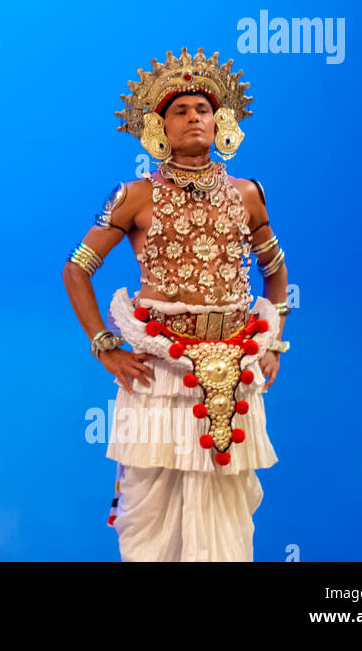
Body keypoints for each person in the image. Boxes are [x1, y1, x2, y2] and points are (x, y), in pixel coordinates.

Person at [62, 47, 291, 562]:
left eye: (203, 110)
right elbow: (76, 269)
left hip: (235, 363)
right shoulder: (133, 196)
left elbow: (275, 271)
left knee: (229, 499)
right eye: (181, 111)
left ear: (221, 121)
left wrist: (274, 342)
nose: (194, 118)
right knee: (149, 497)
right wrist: (106, 346)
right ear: (159, 127)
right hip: (159, 369)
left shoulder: (248, 193)